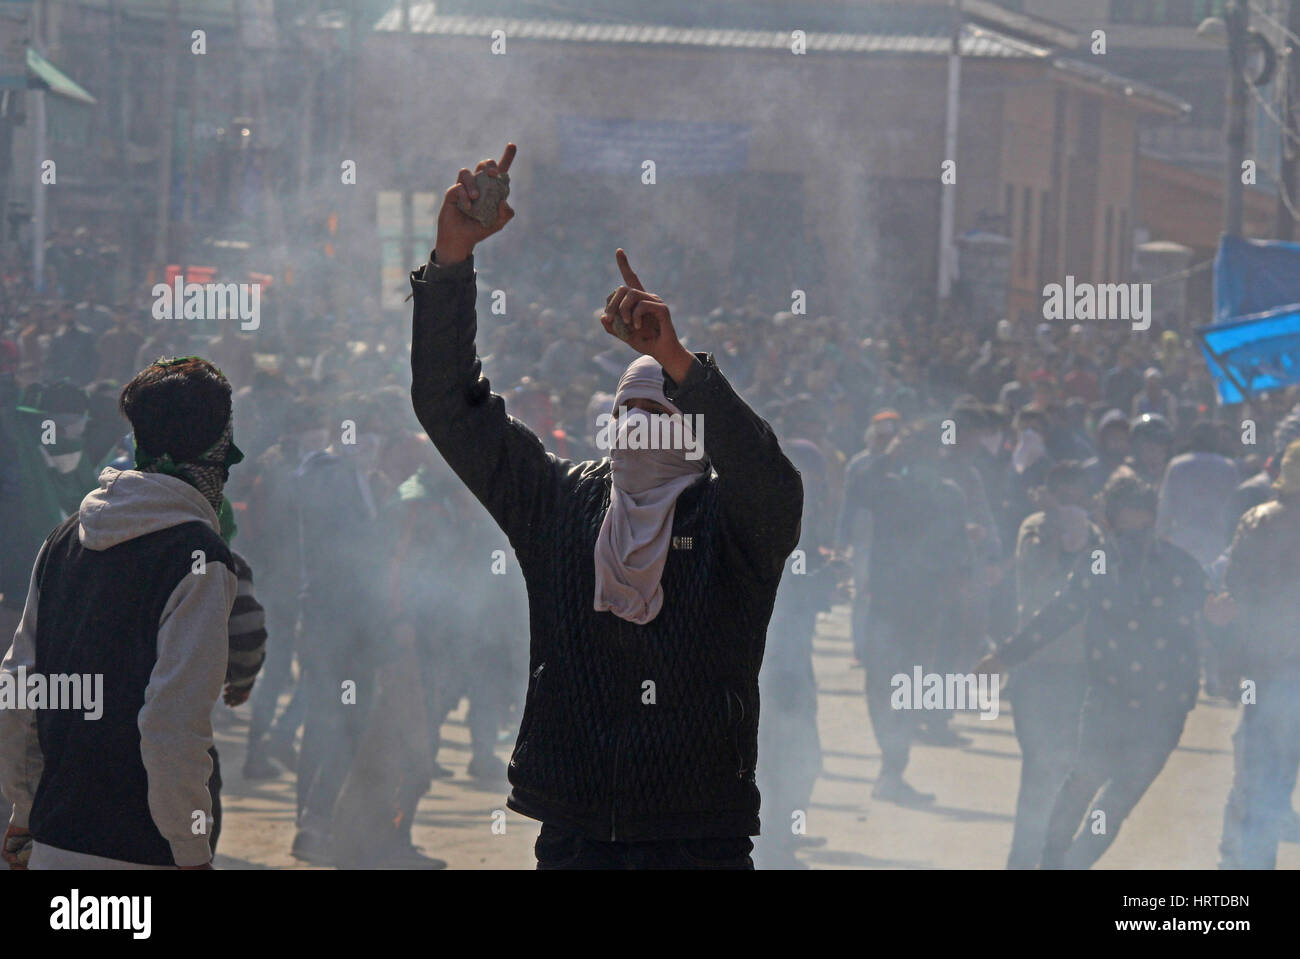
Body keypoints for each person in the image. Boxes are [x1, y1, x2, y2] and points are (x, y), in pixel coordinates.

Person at [409, 144, 802, 869]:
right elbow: (449, 406)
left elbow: (774, 484)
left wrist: (679, 361)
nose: (643, 428)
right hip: (575, 830)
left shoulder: (730, 523)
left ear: (694, 427)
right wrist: (452, 258)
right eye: (631, 412)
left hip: (698, 836)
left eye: (665, 410)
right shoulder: (563, 505)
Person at [0, 356, 242, 869]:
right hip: (141, 852)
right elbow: (171, 727)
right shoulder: (198, 556)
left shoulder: (64, 538)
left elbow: (18, 688)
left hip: (53, 842)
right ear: (218, 449)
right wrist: (192, 850)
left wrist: (23, 812)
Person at [977, 474, 1211, 869]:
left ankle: (1071, 865)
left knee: (1108, 802)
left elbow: (1221, 619)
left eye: (1141, 524)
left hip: (1161, 712)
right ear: (1108, 523)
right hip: (1111, 703)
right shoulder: (1103, 563)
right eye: (1125, 525)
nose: (1133, 536)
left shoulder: (1181, 567)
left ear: (1153, 521)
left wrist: (1228, 628)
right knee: (1083, 790)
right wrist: (1004, 657)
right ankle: (1053, 863)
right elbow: (1057, 615)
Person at [1005, 461, 1100, 869]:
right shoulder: (1035, 529)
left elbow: (1100, 584)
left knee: (1066, 768)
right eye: (1066, 494)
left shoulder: (1097, 534)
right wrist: (1059, 536)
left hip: (1079, 667)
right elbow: (1037, 580)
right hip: (1037, 665)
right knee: (1039, 767)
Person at [1217, 438, 1300, 868]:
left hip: (1259, 671)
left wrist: (1227, 666)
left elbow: (1233, 596)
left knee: (1255, 772)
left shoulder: (1258, 521)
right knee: (1278, 773)